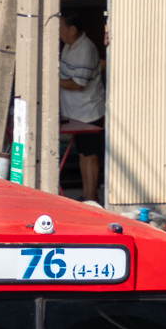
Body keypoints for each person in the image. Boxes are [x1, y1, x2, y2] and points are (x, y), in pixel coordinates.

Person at [59, 13, 106, 202]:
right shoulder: (68, 47)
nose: (59, 33)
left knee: (90, 155)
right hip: (75, 113)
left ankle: (92, 197)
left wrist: (53, 82)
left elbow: (79, 83)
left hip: (89, 111)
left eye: (61, 28)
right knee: (83, 155)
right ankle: (88, 197)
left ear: (72, 29)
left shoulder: (86, 48)